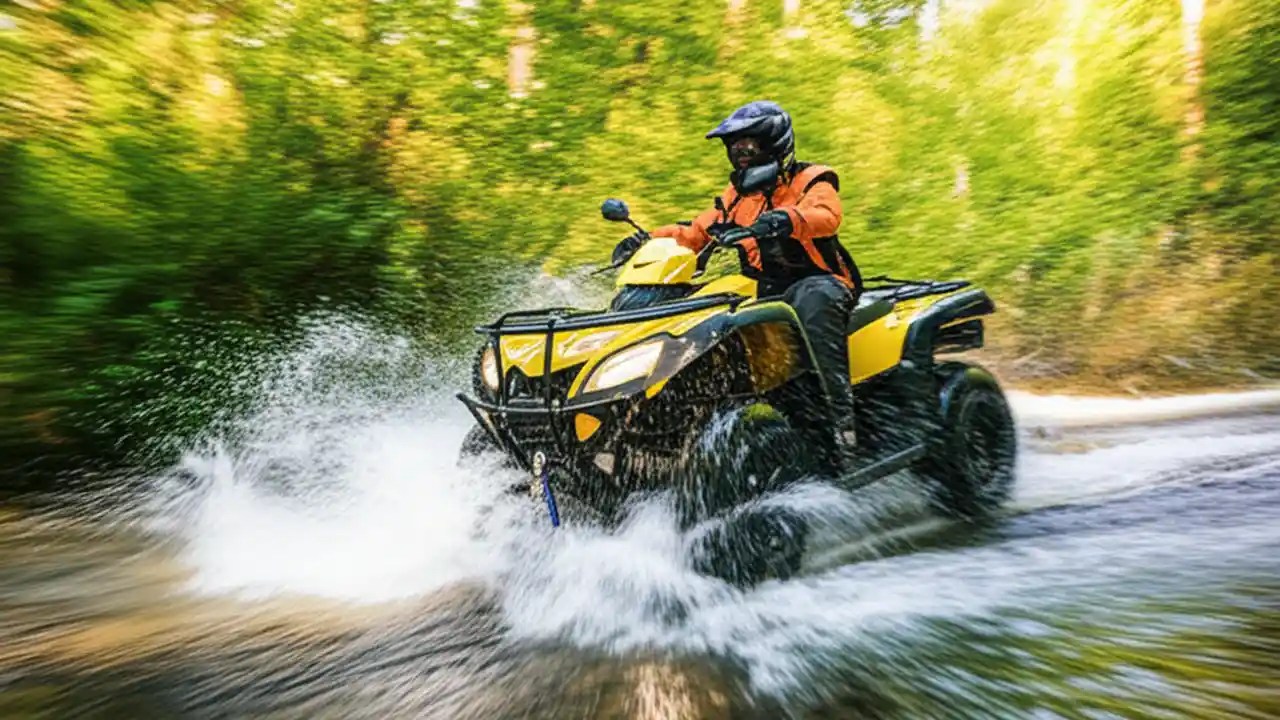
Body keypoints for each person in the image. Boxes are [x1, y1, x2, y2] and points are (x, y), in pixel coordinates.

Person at [612, 100, 862, 458]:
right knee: (713, 310)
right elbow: (695, 233)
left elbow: (826, 215)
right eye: (733, 148)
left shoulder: (811, 180)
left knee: (813, 301)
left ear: (774, 144)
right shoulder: (737, 197)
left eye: (748, 146)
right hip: (765, 289)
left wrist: (787, 220)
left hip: (820, 282)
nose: (740, 154)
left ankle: (841, 424)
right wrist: (648, 240)